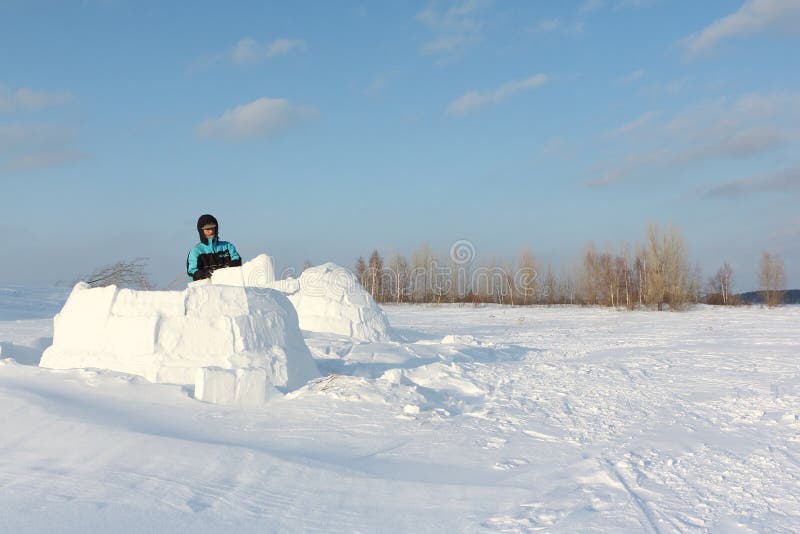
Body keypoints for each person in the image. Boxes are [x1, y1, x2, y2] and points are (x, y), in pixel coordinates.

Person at [187, 214, 242, 280]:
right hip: (207, 287)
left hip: (228, 285)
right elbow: (191, 272)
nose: (211, 231)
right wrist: (201, 274)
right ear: (201, 231)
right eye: (207, 229)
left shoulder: (227, 246)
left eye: (213, 228)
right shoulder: (196, 251)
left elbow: (237, 259)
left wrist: (232, 266)